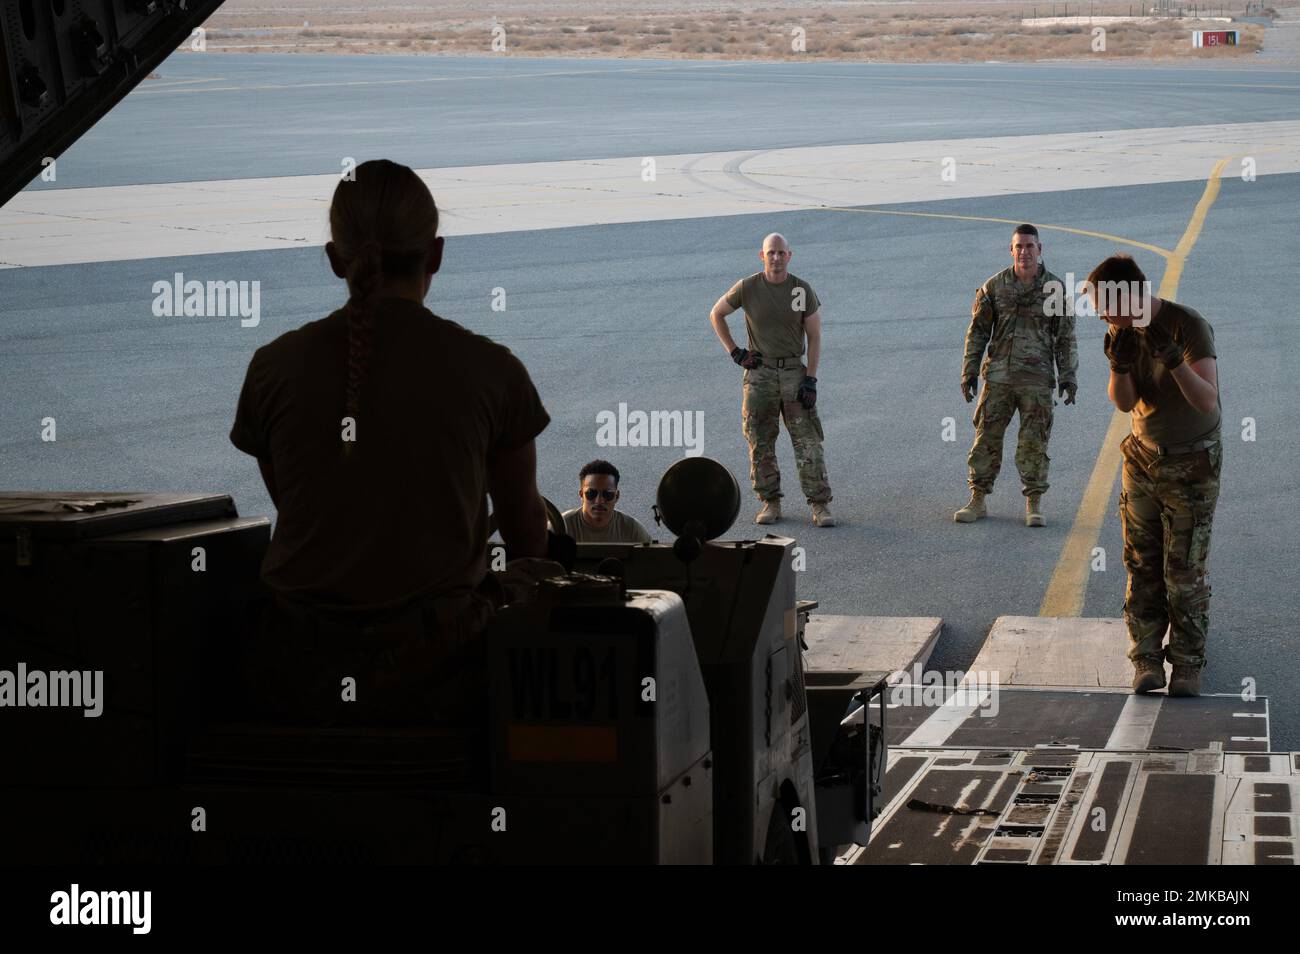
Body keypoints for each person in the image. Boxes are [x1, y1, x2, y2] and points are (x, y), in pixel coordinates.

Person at [229, 159, 550, 726]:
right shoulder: (493, 371)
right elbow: (525, 531)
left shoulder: (271, 369)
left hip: (293, 668)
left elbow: (301, 507)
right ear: (436, 254)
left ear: (334, 260)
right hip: (441, 671)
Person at [1090, 254, 1222, 698]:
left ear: (1127, 296)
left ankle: (1186, 664)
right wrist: (1119, 367)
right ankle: (1146, 657)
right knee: (1141, 560)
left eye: (1105, 307)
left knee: (1183, 568)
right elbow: (1124, 403)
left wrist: (1174, 361)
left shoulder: (1188, 326)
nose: (1101, 316)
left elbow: (1207, 402)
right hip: (1142, 457)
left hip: (1191, 460)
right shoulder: (1121, 331)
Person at [709, 233, 834, 527]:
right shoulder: (748, 287)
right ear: (761, 256)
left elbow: (815, 337)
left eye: (781, 253)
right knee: (760, 440)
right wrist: (735, 352)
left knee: (808, 442)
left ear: (789, 256)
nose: (776, 258)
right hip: (759, 374)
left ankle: (819, 504)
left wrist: (811, 379)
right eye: (771, 253)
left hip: (793, 372)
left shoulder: (801, 290)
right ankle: (770, 501)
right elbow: (717, 314)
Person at [957, 224, 1078, 527]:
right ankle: (978, 499)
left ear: (1040, 249)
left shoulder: (1055, 289)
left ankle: (1033, 503)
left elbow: (1065, 337)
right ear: (1011, 250)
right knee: (986, 438)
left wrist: (1068, 376)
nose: (1024, 252)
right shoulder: (994, 287)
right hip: (998, 378)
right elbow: (978, 333)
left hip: (1036, 381)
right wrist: (969, 371)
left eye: (1030, 246)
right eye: (1019, 247)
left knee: (1034, 443)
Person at [560, 460, 653, 543]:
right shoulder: (560, 527)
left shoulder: (633, 530)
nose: (599, 501)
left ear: (616, 496)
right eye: (591, 493)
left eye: (607, 494)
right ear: (581, 495)